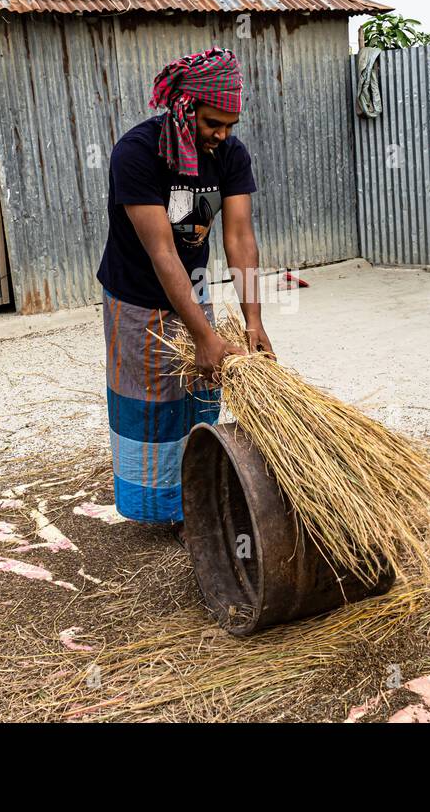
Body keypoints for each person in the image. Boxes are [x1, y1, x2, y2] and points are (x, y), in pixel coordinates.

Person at [96, 47, 273, 532]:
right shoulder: (138, 153)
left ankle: (196, 495)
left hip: (190, 287)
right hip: (136, 296)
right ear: (185, 108)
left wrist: (254, 321)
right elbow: (162, 253)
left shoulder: (229, 154)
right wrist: (203, 334)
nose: (223, 134)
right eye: (214, 123)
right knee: (150, 401)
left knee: (198, 394)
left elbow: (239, 236)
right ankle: (160, 511)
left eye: (231, 124)